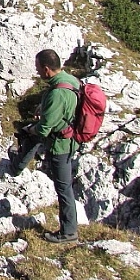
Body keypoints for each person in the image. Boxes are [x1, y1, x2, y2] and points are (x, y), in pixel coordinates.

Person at [30, 48, 81, 244]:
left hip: (60, 146)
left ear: (46, 69)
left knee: (63, 188)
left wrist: (31, 130)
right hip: (70, 140)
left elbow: (43, 129)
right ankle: (69, 228)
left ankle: (69, 231)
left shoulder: (56, 94)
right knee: (65, 186)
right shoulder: (69, 80)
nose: (37, 72)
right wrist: (44, 108)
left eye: (38, 68)